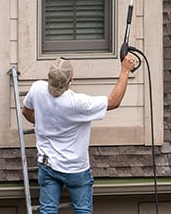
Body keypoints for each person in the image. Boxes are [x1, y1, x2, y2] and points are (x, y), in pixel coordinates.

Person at [21, 55, 136, 214]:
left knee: (47, 210)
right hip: (75, 169)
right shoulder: (78, 103)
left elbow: (26, 111)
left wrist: (42, 121)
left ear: (49, 78)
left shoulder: (37, 89)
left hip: (47, 165)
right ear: (70, 80)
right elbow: (113, 102)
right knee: (82, 211)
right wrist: (125, 70)